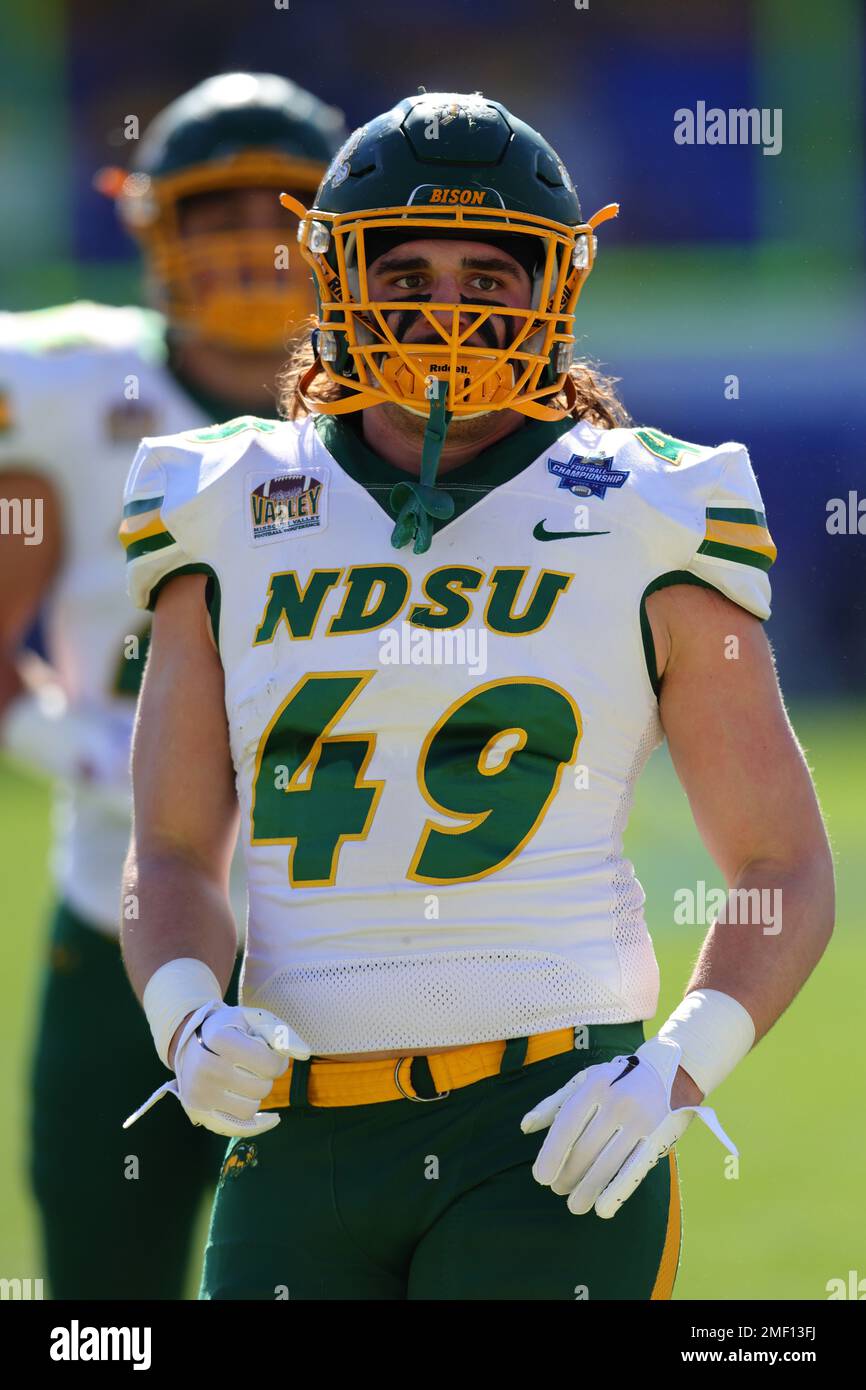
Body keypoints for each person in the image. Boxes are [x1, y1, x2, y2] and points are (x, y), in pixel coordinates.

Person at [120, 91, 834, 1300]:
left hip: (550, 1119)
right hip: (296, 1130)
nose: (444, 309)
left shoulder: (648, 507)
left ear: (551, 289)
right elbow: (174, 850)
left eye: (486, 275)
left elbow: (777, 863)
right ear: (335, 278)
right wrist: (186, 1014)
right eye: (404, 268)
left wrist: (674, 1067)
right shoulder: (225, 501)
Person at [0, 71, 344, 1299]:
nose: (256, 242)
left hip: (358, 951)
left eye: (284, 208)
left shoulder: (418, 415)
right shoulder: (74, 388)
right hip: (121, 921)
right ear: (151, 226)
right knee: (106, 1311)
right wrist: (102, 760)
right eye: (218, 210)